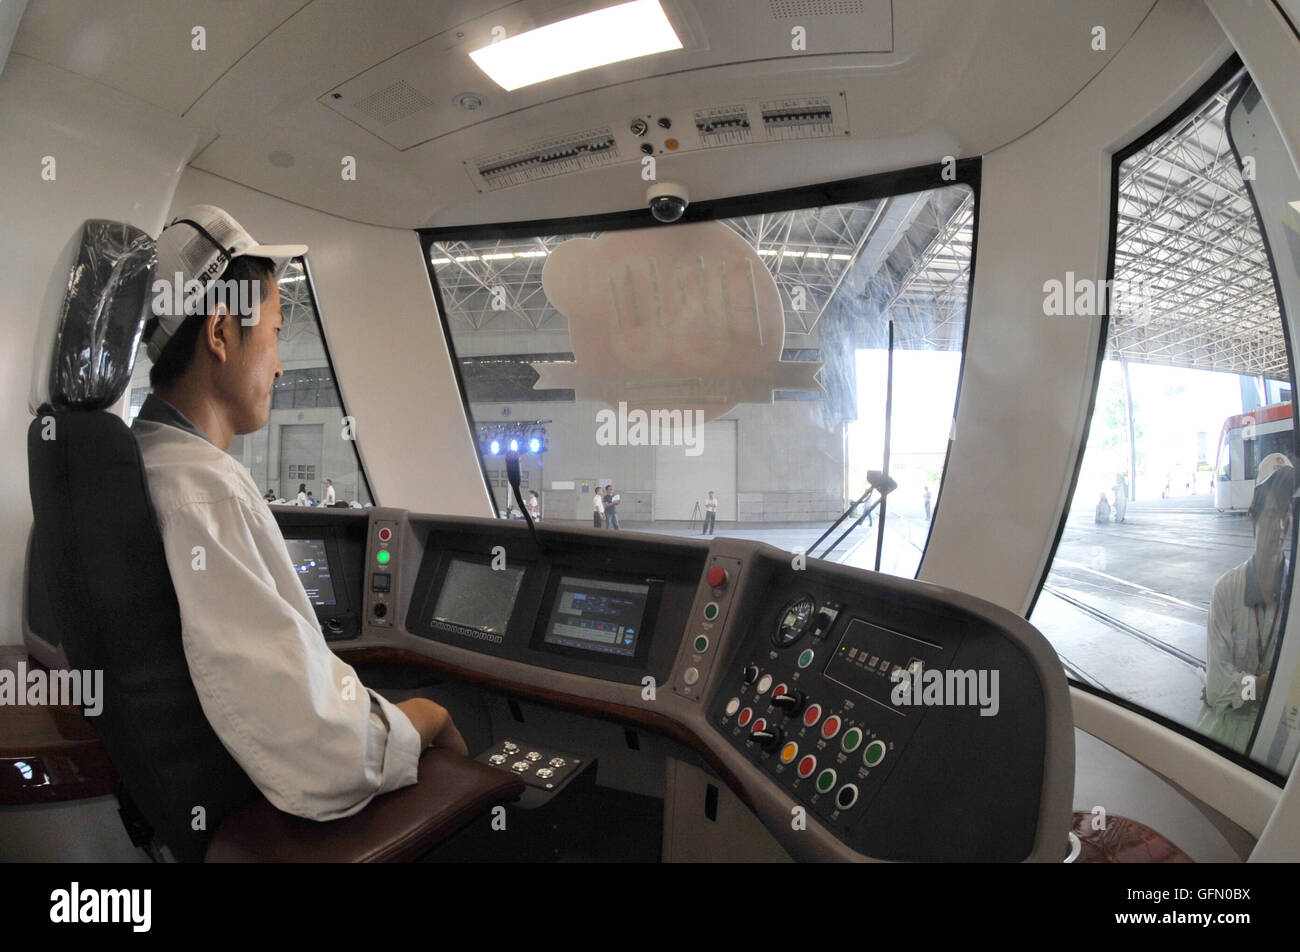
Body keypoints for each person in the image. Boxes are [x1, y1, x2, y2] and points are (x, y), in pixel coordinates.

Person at [131, 204, 464, 823]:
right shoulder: (207, 491)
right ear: (221, 333)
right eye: (277, 332)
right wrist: (427, 718)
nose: (281, 363)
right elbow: (324, 752)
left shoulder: (145, 461)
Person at [1195, 452, 1295, 754]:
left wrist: (1243, 687)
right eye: (1272, 513)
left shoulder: (1296, 597)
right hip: (1223, 740)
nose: (1280, 526)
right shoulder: (1227, 590)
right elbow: (1217, 687)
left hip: (1277, 745)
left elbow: (1224, 687)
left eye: (1287, 514)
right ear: (1253, 516)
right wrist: (1269, 687)